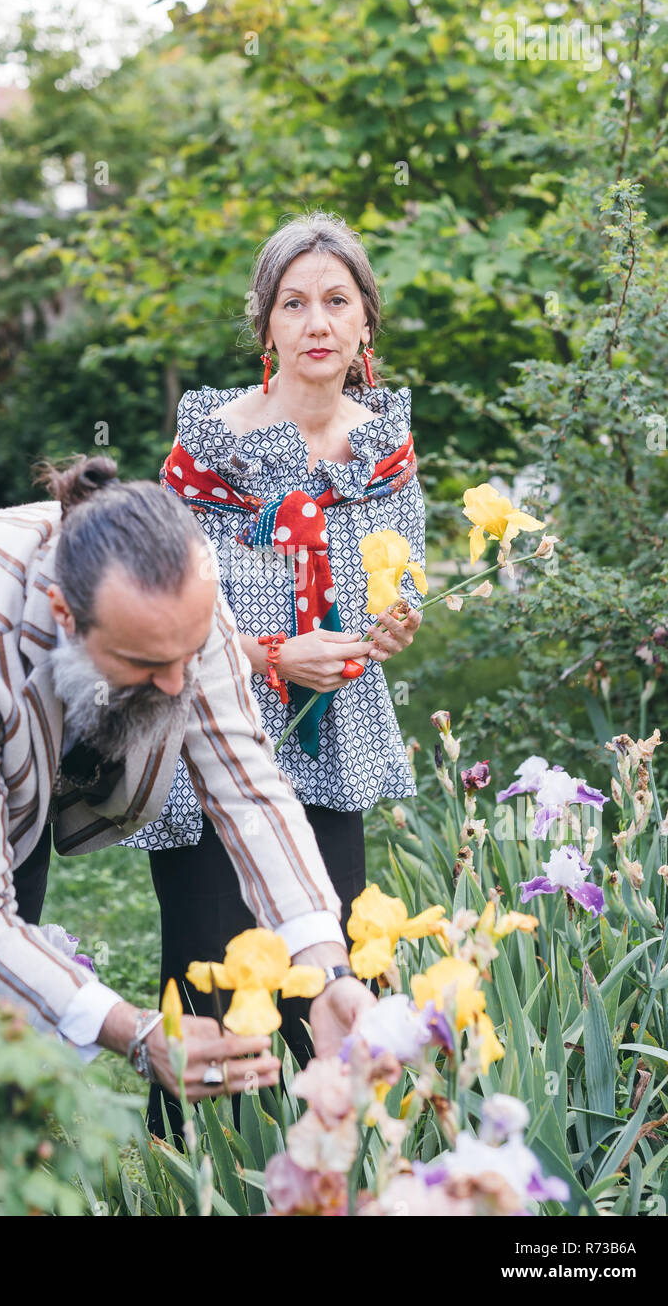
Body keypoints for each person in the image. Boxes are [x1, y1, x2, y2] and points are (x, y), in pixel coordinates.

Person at [0, 456, 374, 1101]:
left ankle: (7, 1116)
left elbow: (248, 788)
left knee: (12, 991)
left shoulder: (178, 591)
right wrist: (136, 1033)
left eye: (187, 657)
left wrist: (327, 969)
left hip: (15, 760)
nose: (178, 686)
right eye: (146, 663)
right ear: (63, 612)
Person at [128, 211, 426, 1131]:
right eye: (293, 304)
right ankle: (198, 1167)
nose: (317, 323)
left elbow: (403, 568)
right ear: (266, 327)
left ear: (366, 322)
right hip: (217, 729)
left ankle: (328, 1154)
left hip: (332, 737)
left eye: (337, 301)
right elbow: (157, 602)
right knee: (210, 961)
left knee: (332, 955)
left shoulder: (383, 447)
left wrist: (389, 627)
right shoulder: (211, 451)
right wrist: (266, 655)